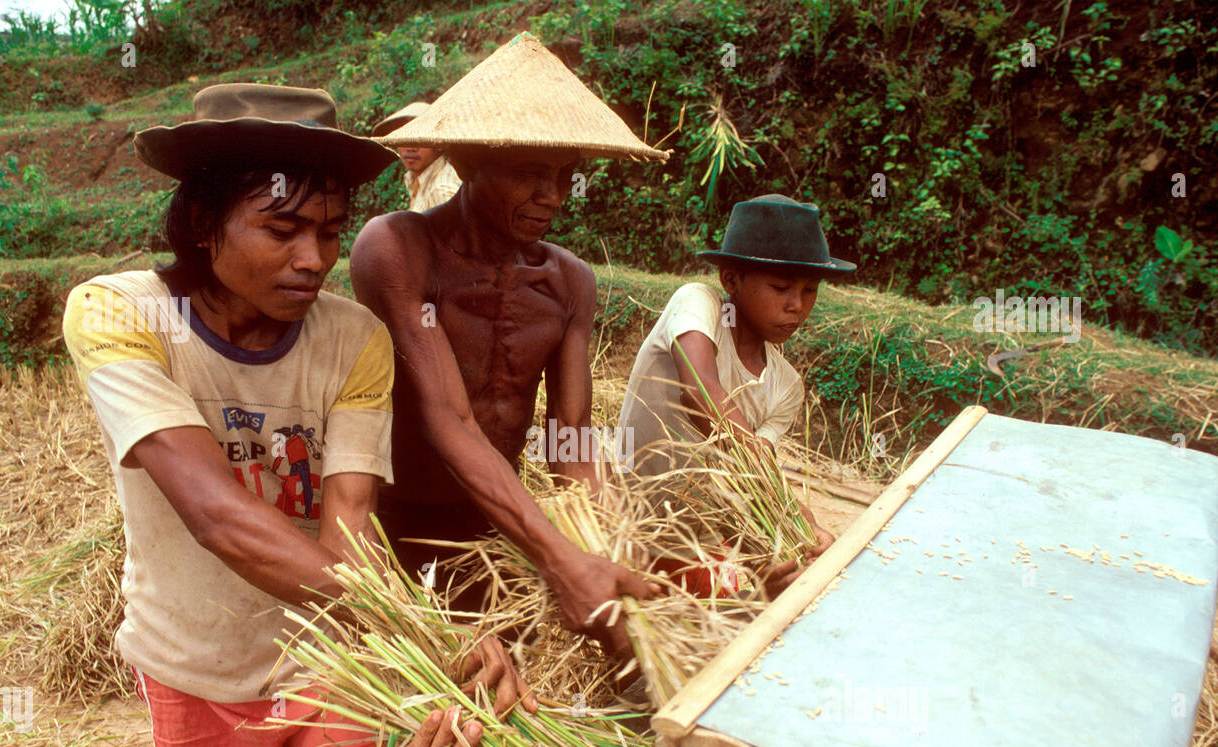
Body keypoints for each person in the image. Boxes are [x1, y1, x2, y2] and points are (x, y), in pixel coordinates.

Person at [61, 83, 534, 747]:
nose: (314, 259)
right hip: (193, 654)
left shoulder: (353, 339)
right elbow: (216, 516)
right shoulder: (119, 314)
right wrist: (427, 628)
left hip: (324, 649)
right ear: (205, 224)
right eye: (282, 230)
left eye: (327, 232)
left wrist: (415, 639)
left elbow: (347, 525)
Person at [352, 33, 670, 658]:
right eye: (530, 174)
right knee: (417, 703)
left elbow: (568, 436)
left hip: (498, 524)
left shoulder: (570, 281)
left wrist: (609, 532)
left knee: (511, 689)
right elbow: (450, 418)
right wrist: (557, 555)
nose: (552, 196)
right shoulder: (400, 249)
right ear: (470, 164)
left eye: (564, 176)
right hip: (395, 520)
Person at [617, 195, 855, 596]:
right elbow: (699, 390)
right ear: (730, 280)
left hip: (696, 544)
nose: (796, 305)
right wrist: (775, 487)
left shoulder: (785, 387)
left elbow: (742, 483)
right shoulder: (698, 304)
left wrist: (793, 532)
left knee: (754, 604)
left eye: (810, 290)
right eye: (780, 287)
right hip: (627, 527)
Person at [372, 101, 462, 211]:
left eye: (418, 140)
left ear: (438, 144)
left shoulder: (441, 191)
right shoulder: (418, 182)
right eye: (403, 139)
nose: (410, 148)